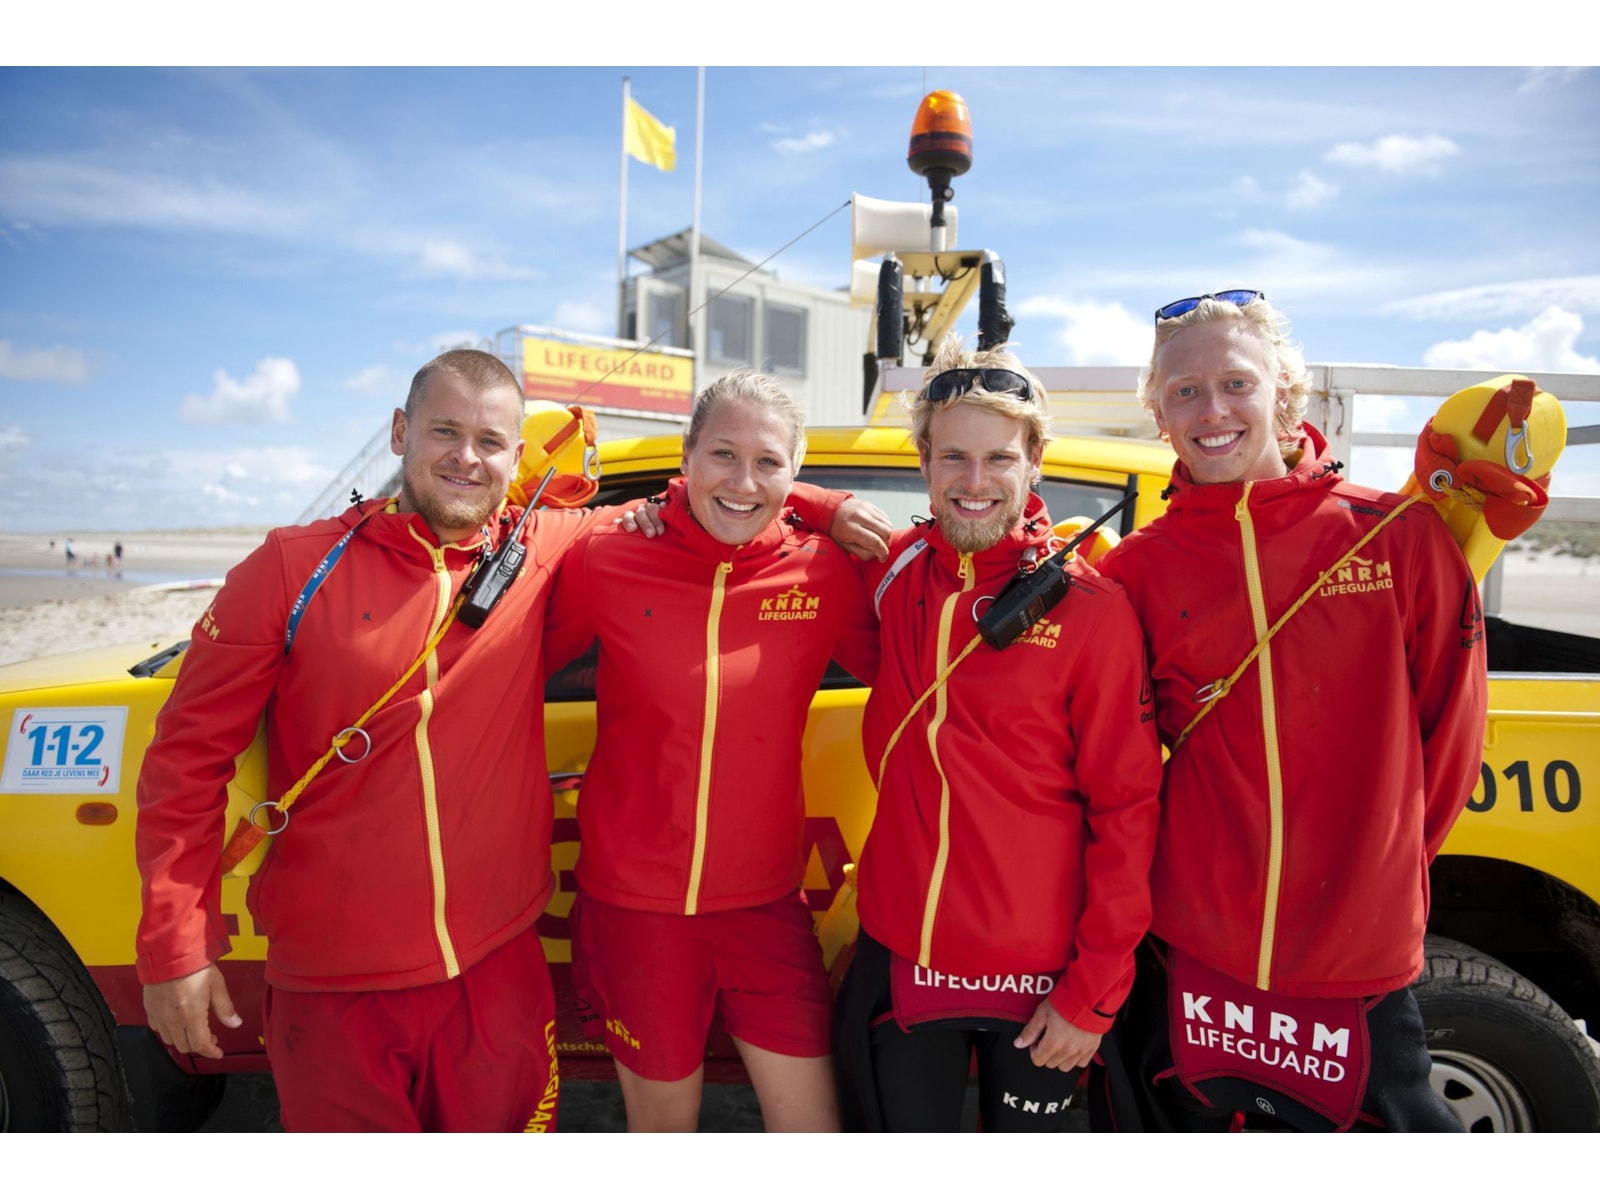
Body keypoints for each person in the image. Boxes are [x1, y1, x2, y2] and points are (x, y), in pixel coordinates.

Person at [1090, 291, 1489, 1132]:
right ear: (1159, 414)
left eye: (1237, 382)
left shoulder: (1395, 537)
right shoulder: (1137, 569)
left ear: (1284, 393)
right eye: (1185, 391)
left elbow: (1449, 737)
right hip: (1196, 944)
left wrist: (1383, 876)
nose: (1213, 410)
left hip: (1358, 948)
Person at [831, 339, 1163, 1132]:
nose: (974, 482)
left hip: (1043, 977)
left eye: (998, 458)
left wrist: (1093, 994)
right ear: (923, 461)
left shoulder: (1093, 609)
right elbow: (750, 503)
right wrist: (823, 507)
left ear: (1034, 462)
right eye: (953, 457)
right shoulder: (897, 571)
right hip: (904, 954)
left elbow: (1128, 812)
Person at [542, 370, 883, 1132]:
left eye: (769, 463)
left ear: (795, 477)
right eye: (723, 455)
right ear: (687, 457)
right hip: (638, 915)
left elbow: (926, 667)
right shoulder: (610, 556)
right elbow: (503, 659)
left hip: (767, 907)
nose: (743, 480)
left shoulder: (822, 572)